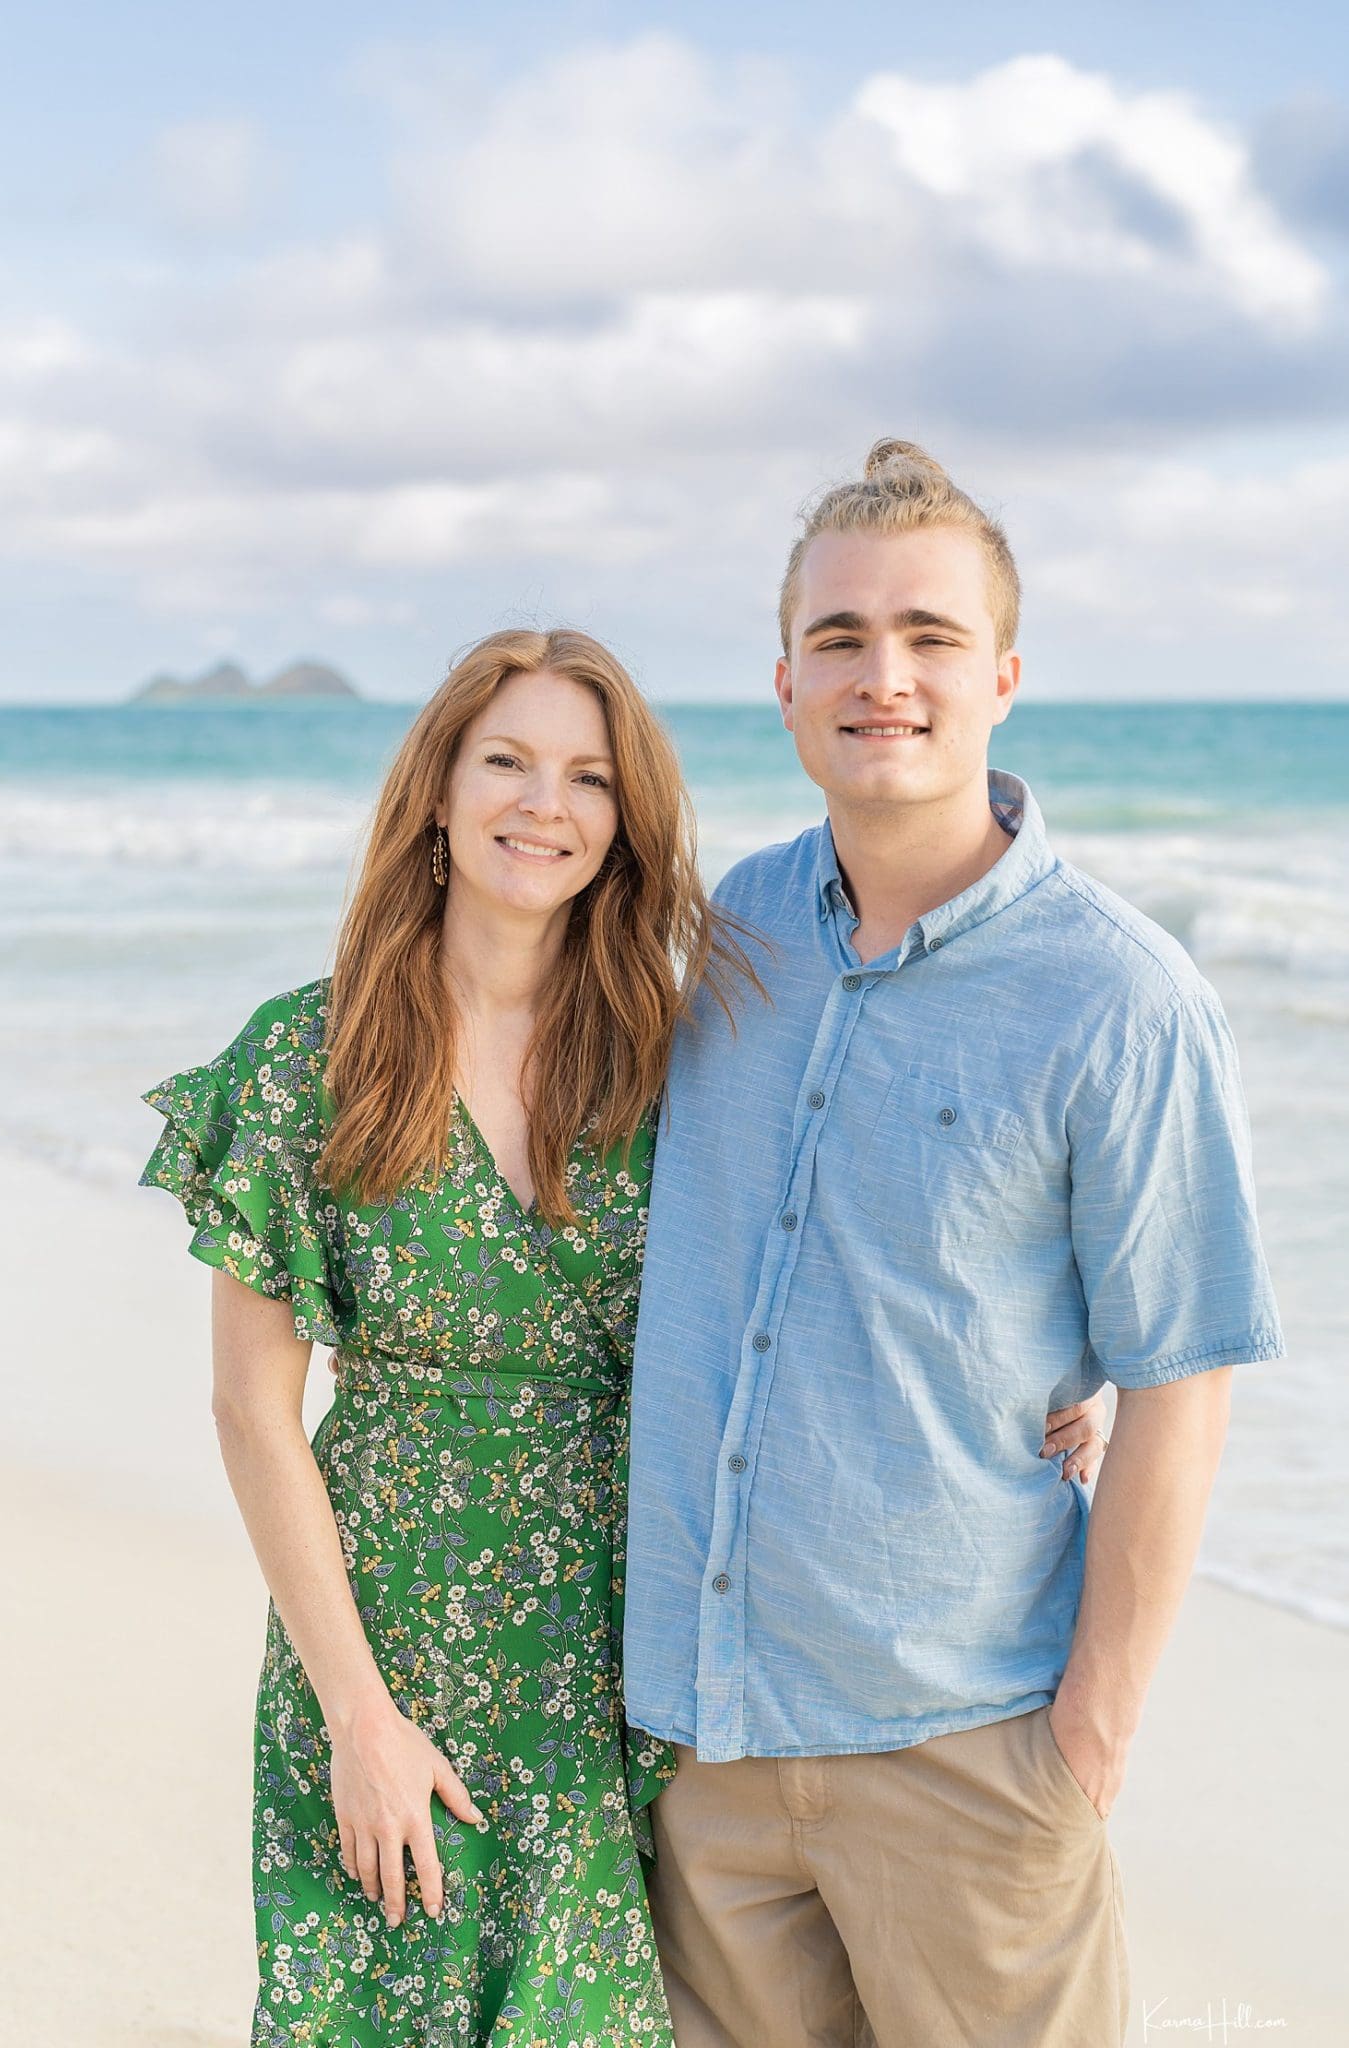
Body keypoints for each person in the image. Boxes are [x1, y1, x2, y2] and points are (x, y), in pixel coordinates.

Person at [137, 621, 1110, 2048]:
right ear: (437, 790)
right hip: (394, 1656)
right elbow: (250, 1413)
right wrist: (358, 1718)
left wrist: (1021, 1390)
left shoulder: (675, 1053)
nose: (546, 805)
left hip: (639, 1672)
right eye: (509, 763)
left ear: (626, 820)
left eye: (590, 779)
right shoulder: (309, 1057)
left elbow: (830, 1264)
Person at [623, 440, 1285, 2048]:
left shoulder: (1120, 999)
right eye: (840, 640)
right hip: (704, 1742)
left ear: (1000, 677)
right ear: (784, 684)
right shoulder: (714, 943)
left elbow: (1179, 1377)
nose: (883, 678)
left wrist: (1091, 1732)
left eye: (926, 638)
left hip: (965, 1748)